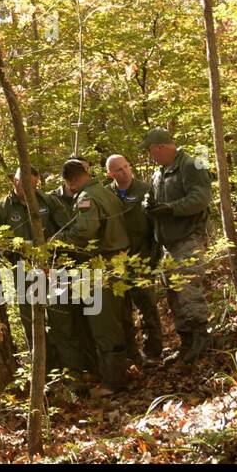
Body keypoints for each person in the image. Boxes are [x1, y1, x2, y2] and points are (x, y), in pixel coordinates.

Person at [48, 158, 132, 391]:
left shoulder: (86, 198)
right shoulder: (106, 192)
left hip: (101, 265)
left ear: (70, 181)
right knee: (112, 320)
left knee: (104, 325)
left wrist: (56, 241)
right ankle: (112, 373)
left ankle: (114, 382)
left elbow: (85, 231)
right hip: (116, 262)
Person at [144, 128, 212, 365]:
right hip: (168, 243)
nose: (152, 156)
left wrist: (171, 208)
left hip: (189, 238)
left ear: (162, 147)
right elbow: (155, 200)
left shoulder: (192, 165)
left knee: (188, 289)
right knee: (174, 295)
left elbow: (201, 198)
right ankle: (187, 343)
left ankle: (201, 339)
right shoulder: (159, 174)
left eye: (152, 151)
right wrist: (150, 205)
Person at [0, 166, 66, 358]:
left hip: (52, 267)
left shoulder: (47, 201)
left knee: (61, 318)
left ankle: (70, 370)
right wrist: (18, 248)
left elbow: (65, 228)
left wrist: (52, 246)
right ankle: (45, 372)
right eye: (24, 184)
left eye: (33, 186)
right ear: (14, 181)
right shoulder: (3, 208)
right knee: (32, 322)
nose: (29, 190)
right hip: (23, 270)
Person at [106, 154, 165, 363]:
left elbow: (156, 225)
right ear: (110, 174)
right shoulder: (106, 195)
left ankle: (154, 352)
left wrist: (154, 255)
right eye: (119, 169)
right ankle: (131, 355)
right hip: (116, 264)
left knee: (147, 307)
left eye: (126, 166)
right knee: (122, 313)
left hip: (142, 258)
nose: (125, 171)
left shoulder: (145, 190)